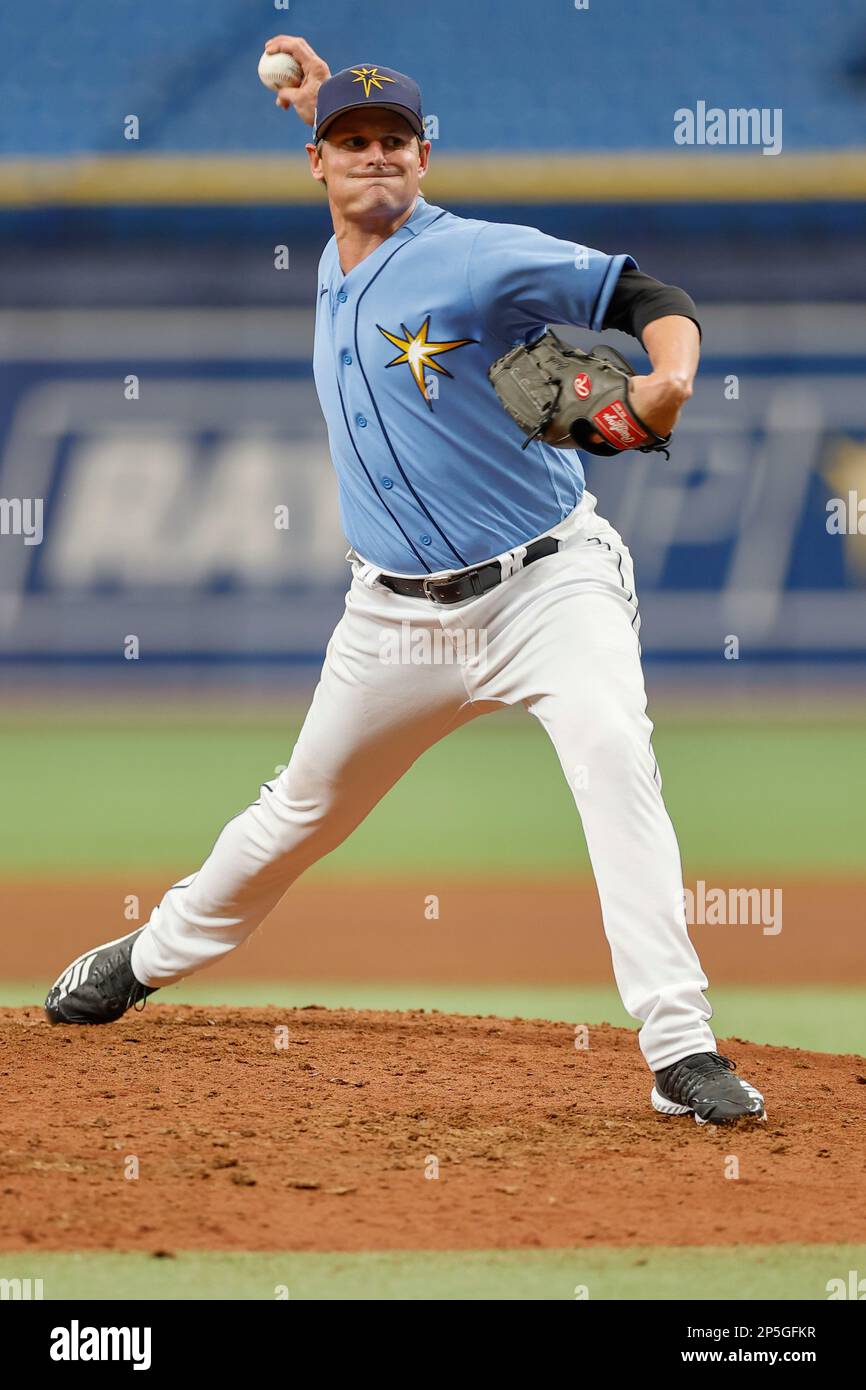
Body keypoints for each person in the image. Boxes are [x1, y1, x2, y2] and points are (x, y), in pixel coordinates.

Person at [45, 37, 766, 1127]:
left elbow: (642, 289)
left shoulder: (479, 256)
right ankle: (146, 955)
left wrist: (667, 378)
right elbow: (354, 173)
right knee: (297, 811)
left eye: (393, 141)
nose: (372, 157)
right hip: (390, 618)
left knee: (613, 756)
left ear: (426, 157)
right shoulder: (339, 254)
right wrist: (323, 95)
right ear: (316, 163)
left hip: (545, 589)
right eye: (350, 143)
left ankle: (679, 1045)